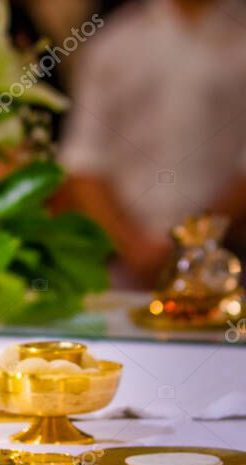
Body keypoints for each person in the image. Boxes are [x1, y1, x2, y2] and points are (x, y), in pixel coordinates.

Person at [59, 0, 246, 286]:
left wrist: (194, 242)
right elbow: (83, 161)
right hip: (124, 264)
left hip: (227, 260)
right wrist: (134, 246)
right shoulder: (115, 39)